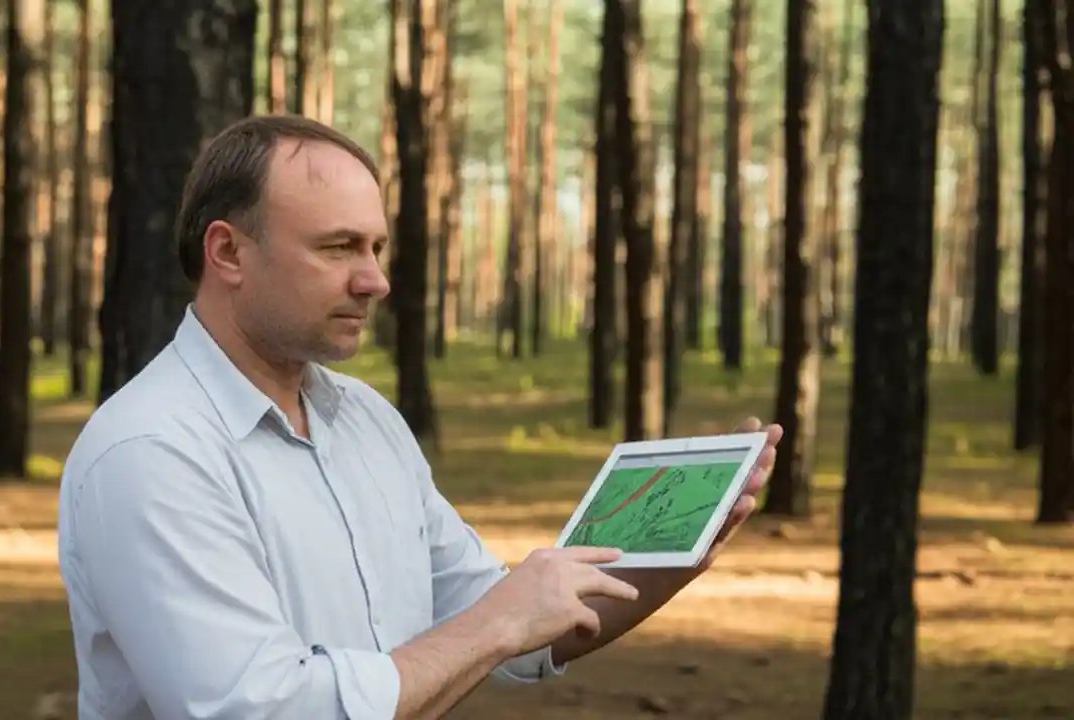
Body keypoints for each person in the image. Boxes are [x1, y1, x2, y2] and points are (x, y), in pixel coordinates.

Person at [57, 115, 782, 720]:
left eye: (375, 246)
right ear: (227, 252)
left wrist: (673, 548)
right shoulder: (150, 453)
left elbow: (509, 631)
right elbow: (263, 708)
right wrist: (499, 621)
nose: (375, 279)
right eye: (338, 247)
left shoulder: (366, 422)